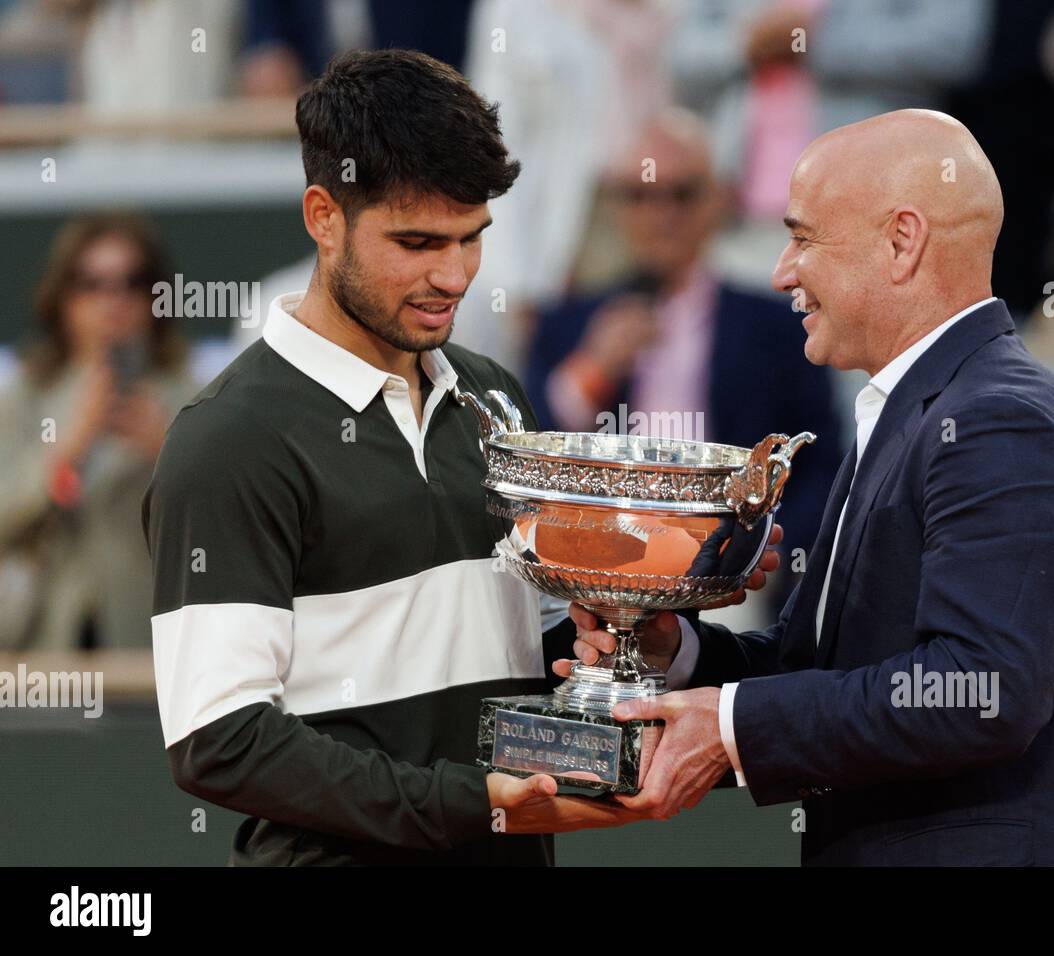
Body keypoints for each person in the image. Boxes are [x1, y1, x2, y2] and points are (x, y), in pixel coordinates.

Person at [142, 49, 779, 866]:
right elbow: (218, 739)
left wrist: (650, 611)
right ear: (322, 216)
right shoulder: (226, 440)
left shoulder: (497, 401)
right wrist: (468, 803)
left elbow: (551, 650)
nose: (453, 275)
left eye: (471, 239)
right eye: (415, 241)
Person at [564, 110, 1054, 866]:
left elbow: (980, 691)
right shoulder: (917, 409)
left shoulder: (998, 418)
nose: (782, 272)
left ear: (901, 242)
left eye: (803, 237)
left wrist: (731, 726)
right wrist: (674, 653)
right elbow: (825, 674)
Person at [525, 110, 843, 602]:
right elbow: (528, 461)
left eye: (681, 194)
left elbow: (824, 463)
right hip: (600, 568)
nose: (660, 215)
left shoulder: (778, 325)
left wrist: (764, 553)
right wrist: (591, 374)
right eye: (641, 195)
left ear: (717, 199)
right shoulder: (567, 323)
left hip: (733, 576)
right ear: (617, 206)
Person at [0, 212, 194, 650]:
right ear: (62, 297)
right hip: (43, 644)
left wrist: (169, 452)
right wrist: (67, 448)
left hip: (152, 648)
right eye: (91, 283)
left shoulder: (194, 399)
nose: (113, 301)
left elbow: (229, 530)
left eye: (132, 282)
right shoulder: (27, 397)